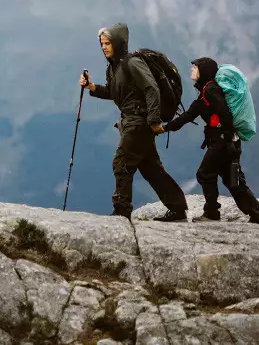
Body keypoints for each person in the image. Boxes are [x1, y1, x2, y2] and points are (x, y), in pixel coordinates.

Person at [80, 22, 189, 222]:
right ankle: (177, 208)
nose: (104, 47)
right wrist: (92, 87)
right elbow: (115, 93)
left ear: (118, 43)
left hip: (139, 123)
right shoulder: (113, 68)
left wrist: (154, 120)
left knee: (121, 162)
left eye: (108, 43)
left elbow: (152, 89)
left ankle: (122, 211)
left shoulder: (132, 63)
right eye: (102, 43)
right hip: (131, 121)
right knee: (151, 168)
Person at [163, 57, 259, 224]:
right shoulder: (205, 92)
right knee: (233, 180)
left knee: (205, 174)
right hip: (230, 143)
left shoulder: (210, 90)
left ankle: (211, 213)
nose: (192, 70)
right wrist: (163, 128)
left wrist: (225, 136)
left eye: (195, 67)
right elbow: (187, 116)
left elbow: (225, 113)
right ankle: (256, 214)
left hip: (222, 143)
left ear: (203, 71)